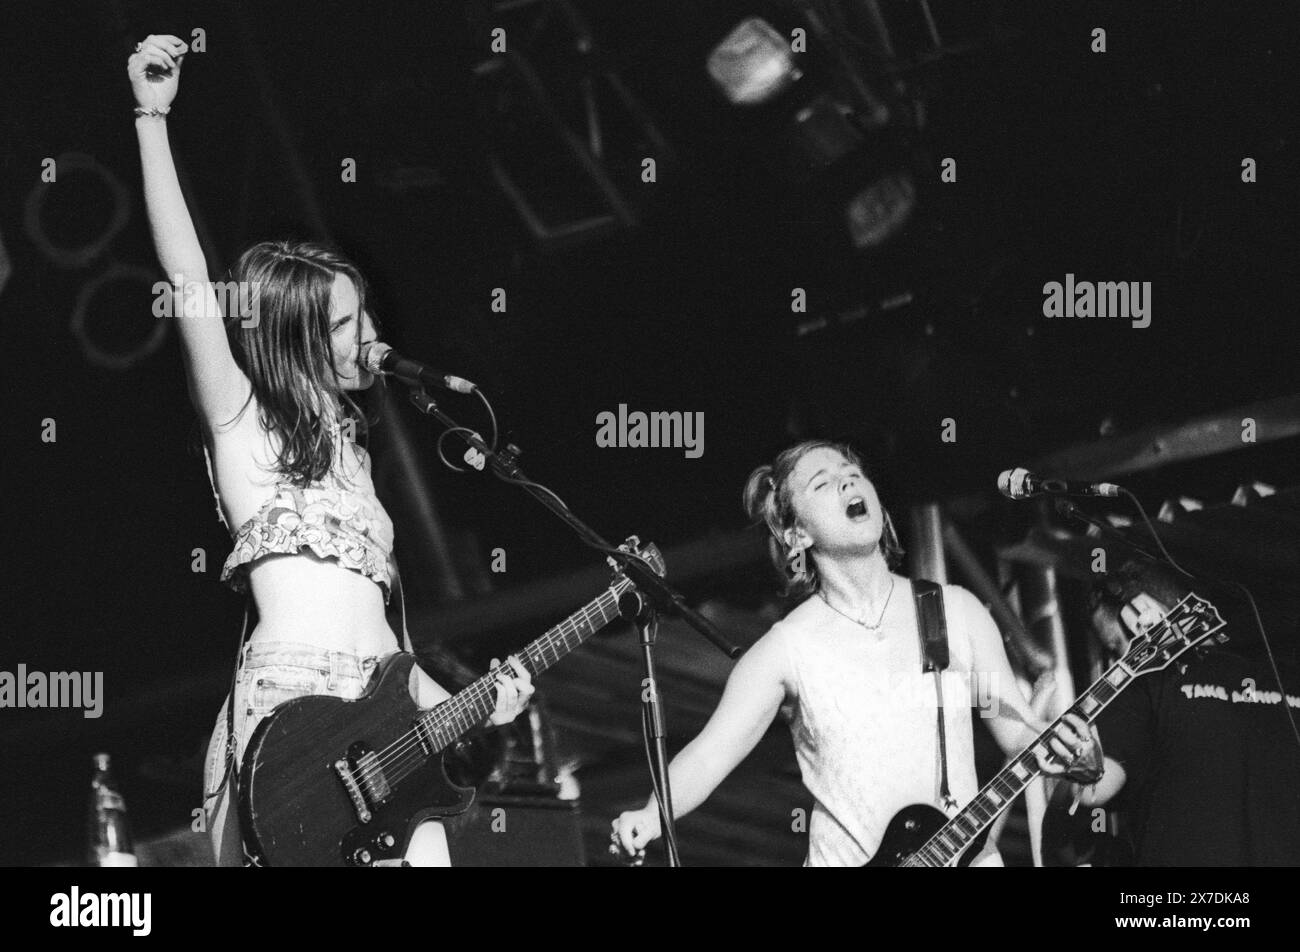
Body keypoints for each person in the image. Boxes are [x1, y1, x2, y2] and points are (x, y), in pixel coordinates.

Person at [127, 34, 534, 866]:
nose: (370, 337)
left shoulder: (354, 454)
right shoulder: (243, 423)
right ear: (298, 337)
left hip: (381, 725)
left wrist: (472, 702)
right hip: (293, 713)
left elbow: (385, 647)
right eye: (344, 324)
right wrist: (150, 117)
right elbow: (192, 281)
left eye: (365, 315)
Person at [611, 439, 1104, 866]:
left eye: (854, 476)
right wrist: (653, 814)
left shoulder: (954, 611)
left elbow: (1012, 726)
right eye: (823, 484)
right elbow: (711, 752)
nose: (849, 485)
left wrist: (1068, 750)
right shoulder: (786, 649)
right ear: (796, 535)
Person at [1068, 561, 1300, 865]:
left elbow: (1093, 791)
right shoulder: (1286, 676)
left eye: (1116, 646)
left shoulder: (1146, 682)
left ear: (1141, 615)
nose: (1119, 662)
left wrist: (1069, 772)